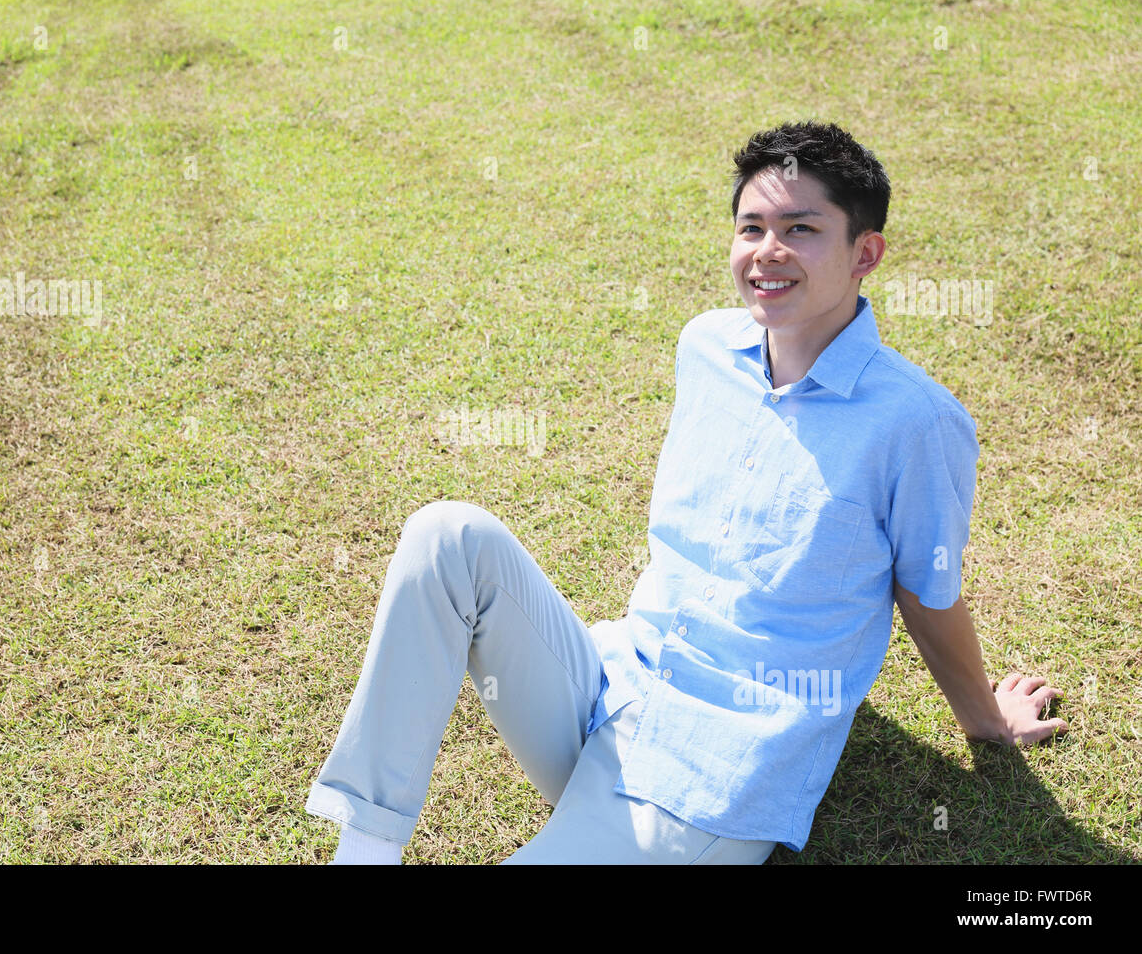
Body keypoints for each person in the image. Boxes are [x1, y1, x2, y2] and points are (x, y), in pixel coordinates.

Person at [303, 121, 1069, 865]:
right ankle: (366, 847)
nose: (768, 253)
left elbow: (925, 589)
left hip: (714, 777)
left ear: (864, 252)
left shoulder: (916, 421)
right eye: (751, 228)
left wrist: (986, 722)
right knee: (448, 534)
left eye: (801, 229)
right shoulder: (706, 345)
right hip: (611, 685)